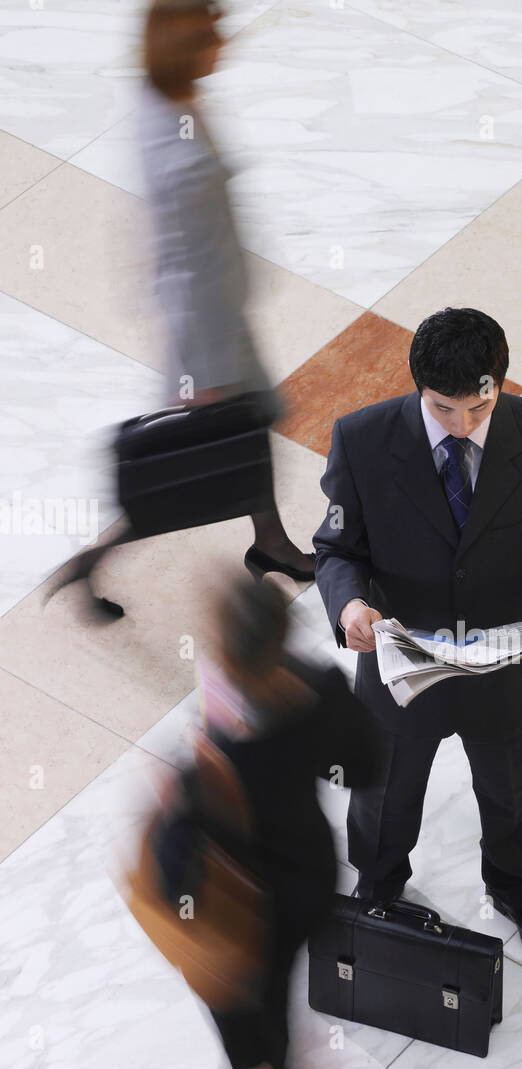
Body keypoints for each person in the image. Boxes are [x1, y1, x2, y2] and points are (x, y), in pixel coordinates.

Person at [313, 307, 522, 970]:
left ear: (500, 381)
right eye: (443, 409)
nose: (462, 425)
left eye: (478, 405)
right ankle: (379, 884)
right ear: (418, 388)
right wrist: (349, 601)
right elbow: (334, 547)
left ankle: (519, 893)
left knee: (514, 789)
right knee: (383, 790)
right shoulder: (360, 439)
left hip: (504, 661)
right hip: (401, 659)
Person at [48, 0, 312, 621]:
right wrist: (207, 372)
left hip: (215, 317)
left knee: (250, 432)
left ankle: (272, 543)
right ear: (185, 47)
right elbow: (186, 264)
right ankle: (93, 560)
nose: (225, 43)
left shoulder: (165, 101)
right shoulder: (177, 146)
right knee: (189, 470)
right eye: (212, 36)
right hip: (208, 333)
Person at [198, 573, 384, 1069]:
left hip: (242, 920)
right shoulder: (319, 688)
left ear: (221, 649)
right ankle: (298, 1054)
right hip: (309, 878)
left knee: (255, 1057)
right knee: (280, 1000)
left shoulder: (219, 737)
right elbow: (366, 767)